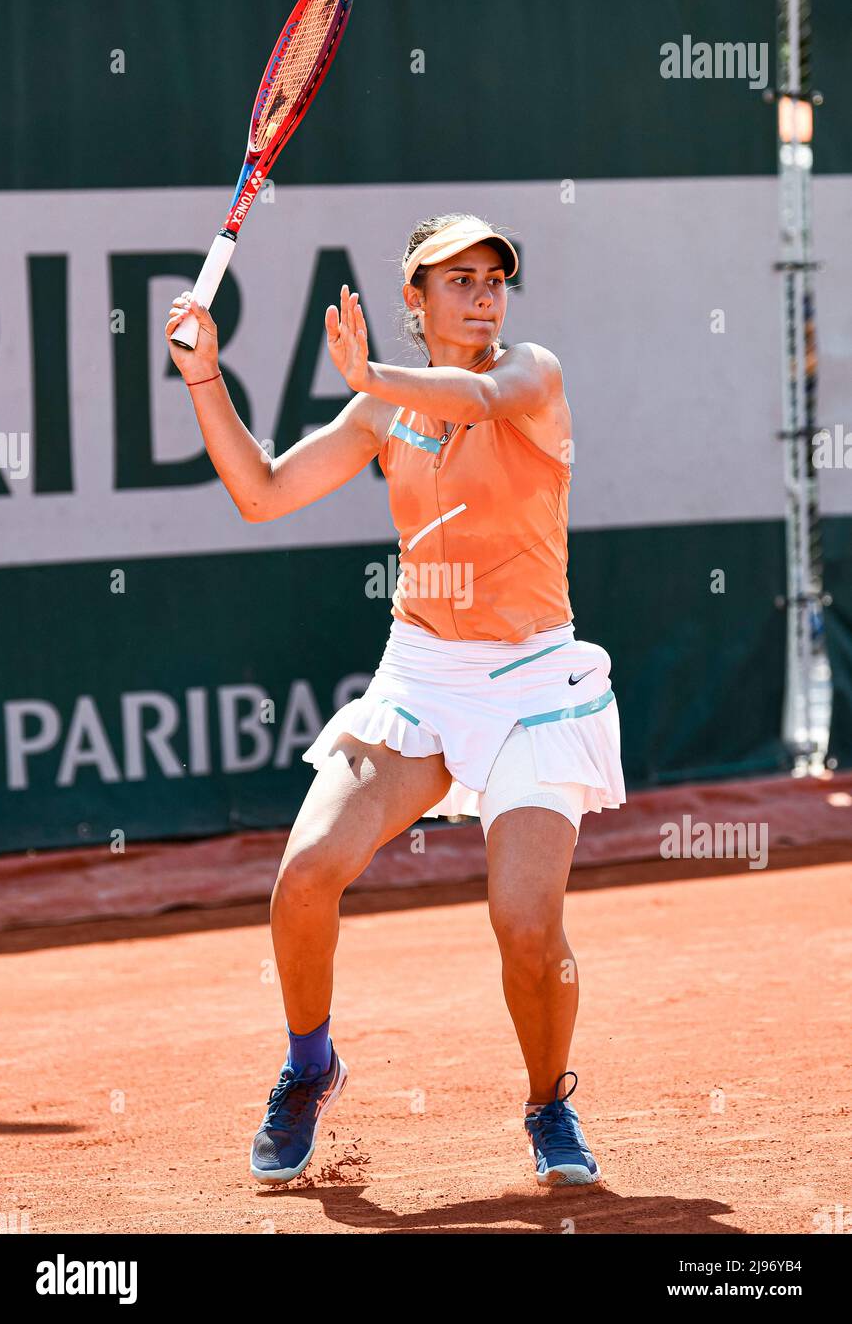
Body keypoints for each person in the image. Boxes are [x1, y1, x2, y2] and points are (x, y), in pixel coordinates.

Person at [165, 212, 626, 1189]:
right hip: (419, 675)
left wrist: (372, 376)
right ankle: (308, 1064)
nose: (480, 294)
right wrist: (205, 377)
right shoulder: (381, 415)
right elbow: (261, 491)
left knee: (525, 925)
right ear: (414, 302)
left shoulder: (528, 374)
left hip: (534, 684)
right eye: (454, 280)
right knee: (304, 871)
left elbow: (482, 392)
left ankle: (548, 1099)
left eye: (491, 278)